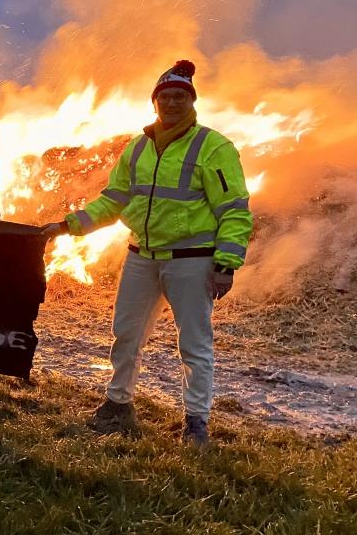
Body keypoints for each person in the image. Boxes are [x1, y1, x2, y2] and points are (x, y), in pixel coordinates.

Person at [50, 60, 253, 446]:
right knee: (126, 334)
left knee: (193, 344)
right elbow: (114, 199)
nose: (172, 103)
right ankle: (118, 405)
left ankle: (196, 422)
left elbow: (234, 210)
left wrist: (226, 263)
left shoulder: (214, 147)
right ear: (154, 103)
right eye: (165, 97)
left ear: (191, 101)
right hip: (142, 257)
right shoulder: (138, 148)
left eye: (180, 96)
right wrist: (69, 226)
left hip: (191, 260)